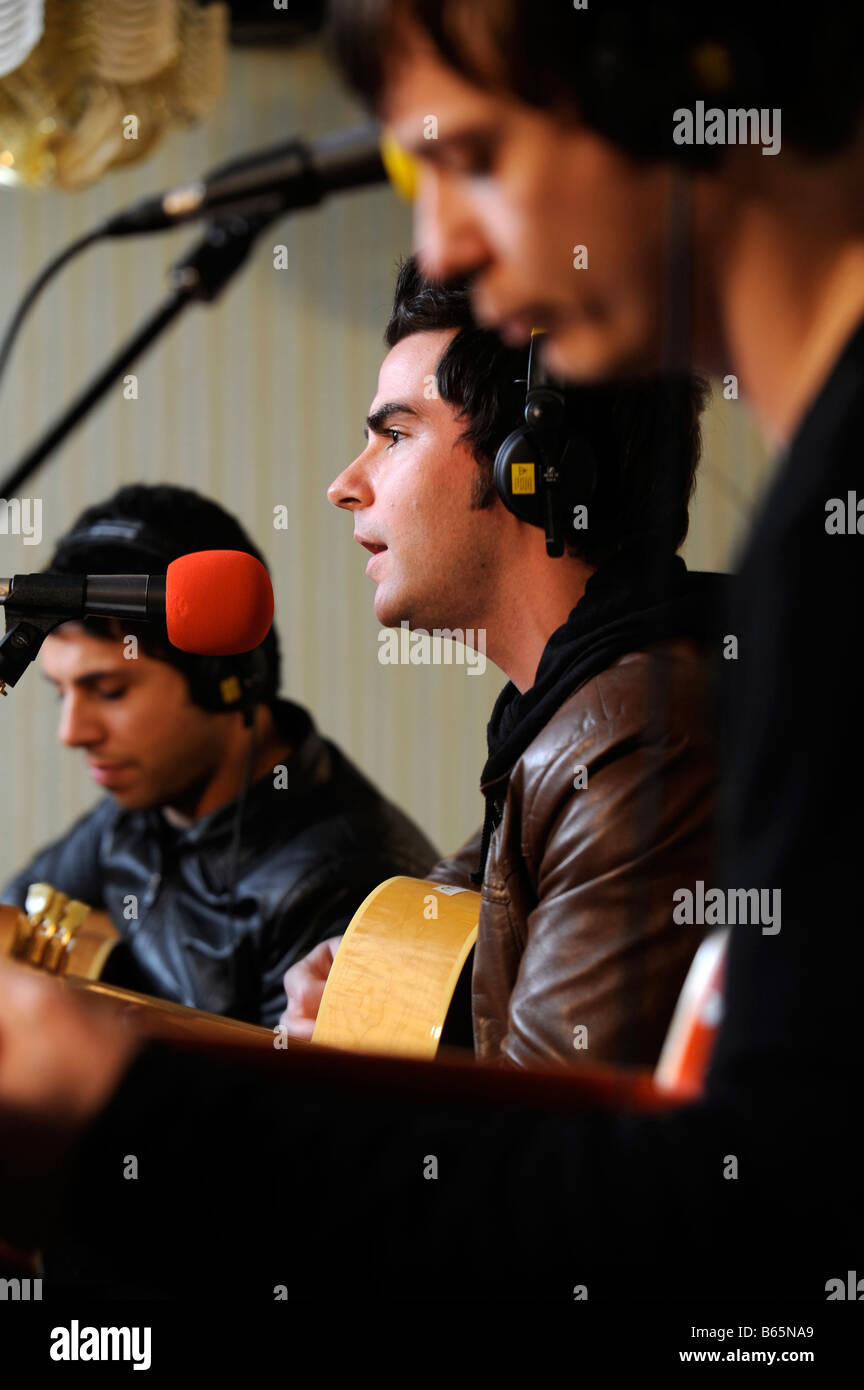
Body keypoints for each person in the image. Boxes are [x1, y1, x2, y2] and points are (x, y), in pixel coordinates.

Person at [1, 2, 861, 1307]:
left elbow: (691, 1213)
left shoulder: (661, 706)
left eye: (467, 155)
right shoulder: (571, 713)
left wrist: (129, 1113)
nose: (441, 236)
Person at [281, 256, 724, 1070]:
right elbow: (488, 892)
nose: (347, 485)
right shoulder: (566, 712)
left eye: (395, 434)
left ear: (529, 464)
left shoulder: (634, 738)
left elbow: (556, 1154)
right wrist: (374, 978)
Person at [1, 484, 438, 1029]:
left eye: (109, 691)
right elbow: (14, 929)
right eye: (60, 692)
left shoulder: (343, 881)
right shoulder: (139, 811)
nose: (73, 732)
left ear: (223, 679)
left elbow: (287, 1108)